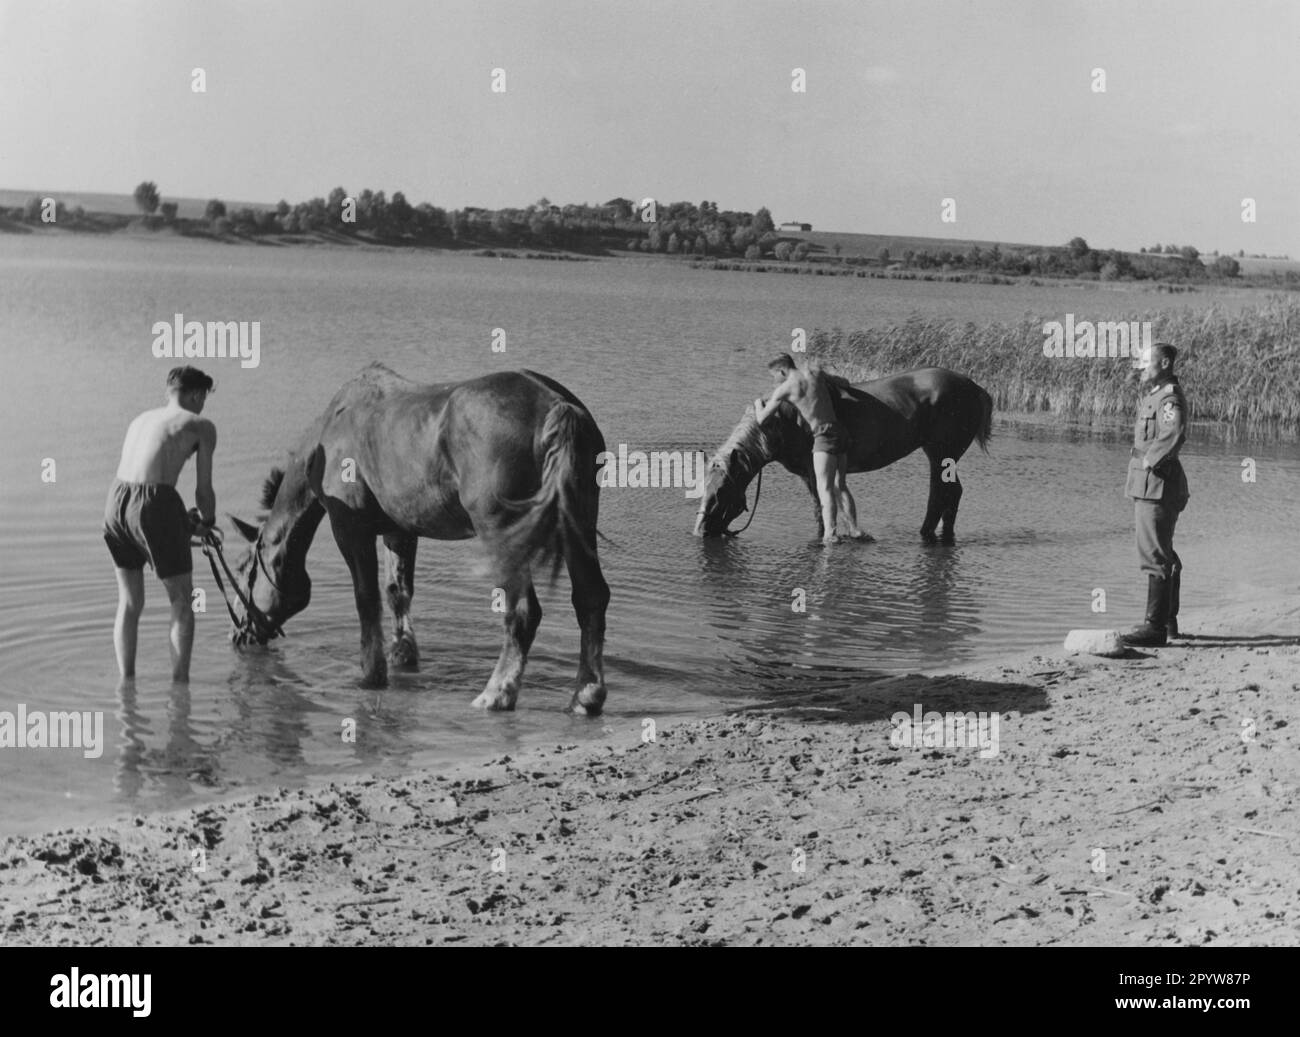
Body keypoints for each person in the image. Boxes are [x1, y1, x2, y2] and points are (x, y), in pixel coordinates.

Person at [103, 366, 218, 680]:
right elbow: (202, 491)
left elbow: (140, 485)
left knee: (129, 601)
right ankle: (181, 691)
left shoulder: (140, 419)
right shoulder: (201, 425)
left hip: (115, 501)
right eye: (204, 397)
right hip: (155, 503)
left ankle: (126, 686)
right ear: (196, 394)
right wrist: (207, 522)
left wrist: (180, 522)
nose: (203, 404)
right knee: (182, 600)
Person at [754, 354, 866, 544]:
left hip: (823, 437)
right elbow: (845, 383)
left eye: (774, 376)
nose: (774, 381)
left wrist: (758, 403)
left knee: (825, 488)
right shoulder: (816, 372)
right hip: (840, 432)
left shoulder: (785, 388)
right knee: (841, 485)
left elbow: (762, 419)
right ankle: (855, 530)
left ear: (782, 371)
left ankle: (830, 534)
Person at [1122, 343, 1188, 646]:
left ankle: (1154, 628)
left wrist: (1150, 461)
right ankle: (1168, 621)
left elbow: (1173, 434)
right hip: (1149, 482)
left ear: (1164, 363)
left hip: (1156, 482)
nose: (1142, 367)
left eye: (1147, 362)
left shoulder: (1169, 397)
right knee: (1162, 550)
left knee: (1154, 554)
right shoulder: (1156, 394)